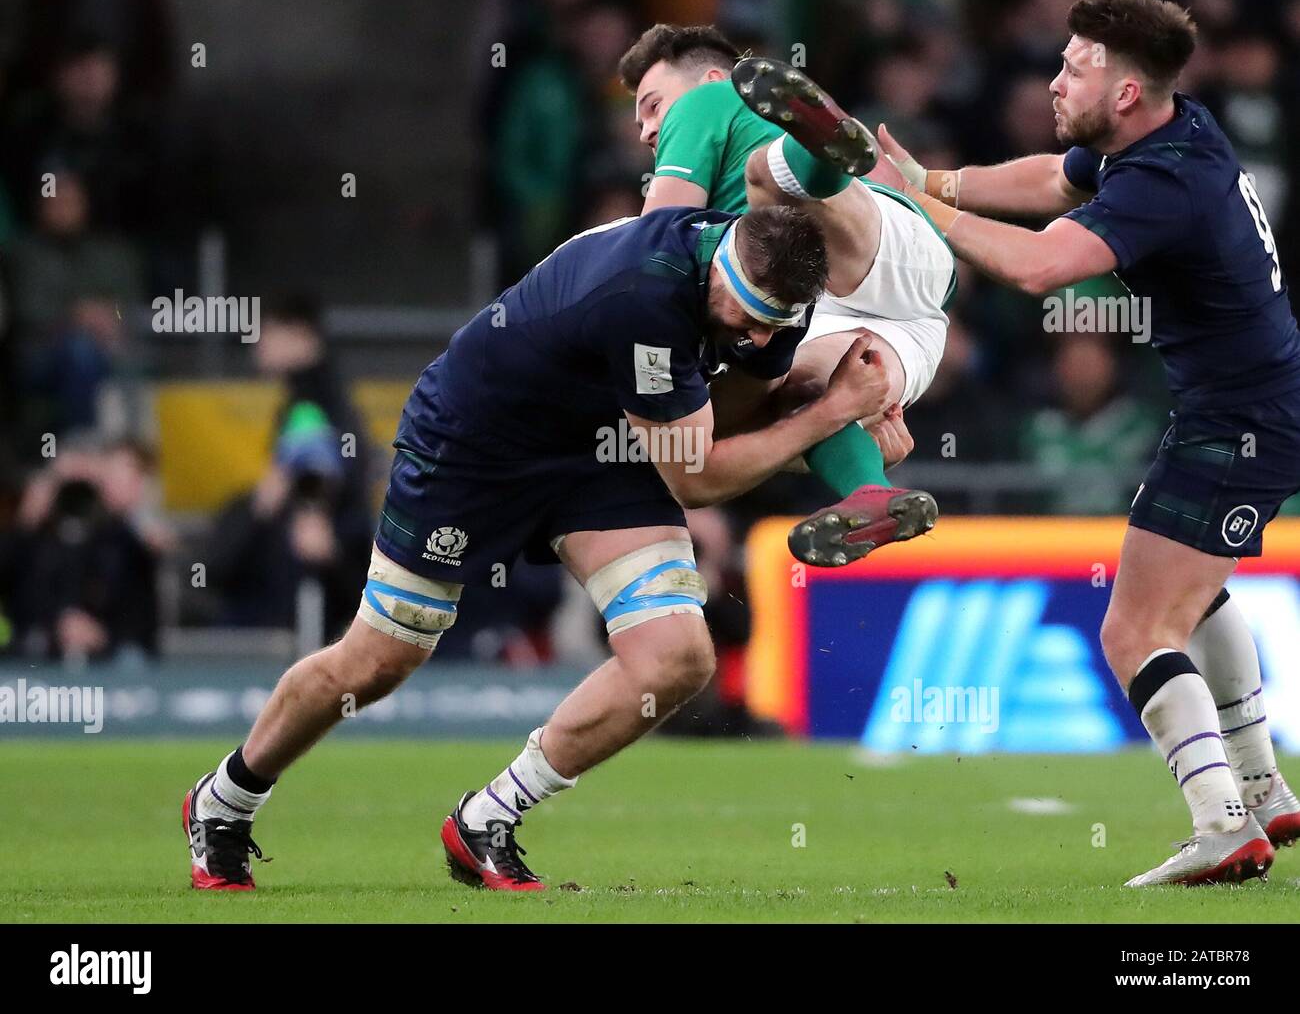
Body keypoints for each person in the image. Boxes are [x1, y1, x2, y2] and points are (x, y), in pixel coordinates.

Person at [181, 203, 892, 891]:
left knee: (677, 655)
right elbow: (697, 474)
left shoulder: (778, 292)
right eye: (751, 320)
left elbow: (731, 411)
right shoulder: (646, 297)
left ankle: (488, 817)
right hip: (472, 444)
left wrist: (838, 403)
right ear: (722, 274)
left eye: (778, 327)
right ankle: (224, 799)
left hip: (599, 450)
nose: (761, 341)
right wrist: (830, 411)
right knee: (381, 656)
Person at [772, 0, 1300, 886]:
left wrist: (920, 211)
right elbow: (1051, 181)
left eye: (1075, 67)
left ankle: (1222, 822)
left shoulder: (1163, 180)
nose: (1056, 81)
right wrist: (931, 180)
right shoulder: (1169, 130)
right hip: (1250, 406)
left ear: (1126, 93)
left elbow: (1040, 263)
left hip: (1238, 421)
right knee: (1198, 598)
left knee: (1134, 629)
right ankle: (1264, 789)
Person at [619, 24, 947, 565]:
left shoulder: (706, 102)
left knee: (764, 186)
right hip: (894, 314)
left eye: (653, 107)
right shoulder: (767, 311)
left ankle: (820, 156)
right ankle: (870, 491)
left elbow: (655, 247)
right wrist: (858, 429)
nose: (646, 132)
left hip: (868, 241)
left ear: (716, 79)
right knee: (809, 392)